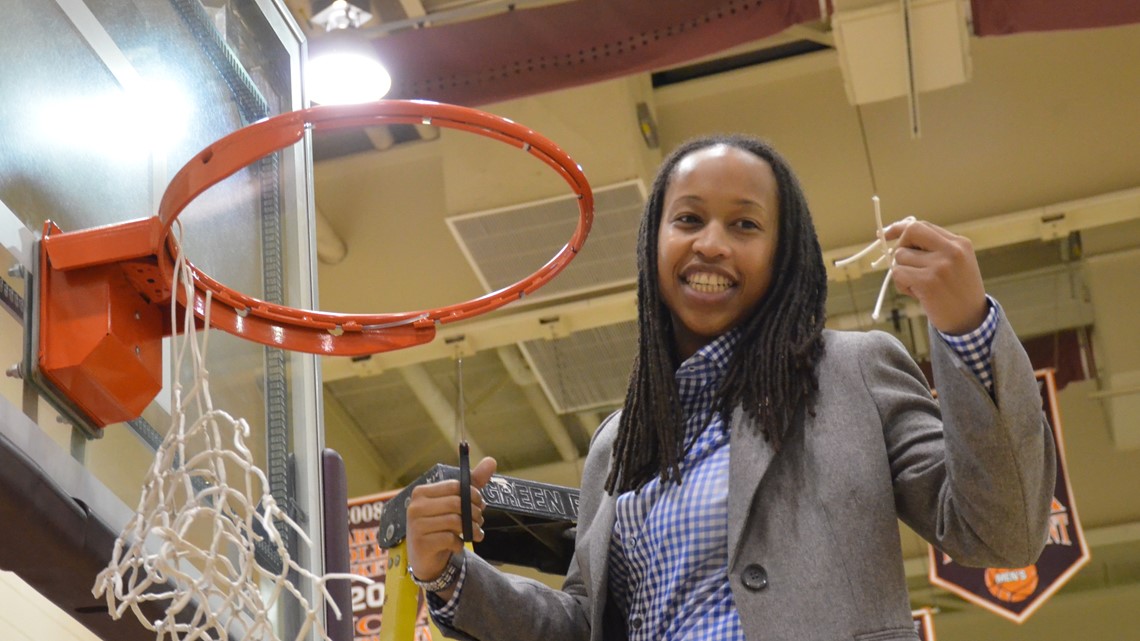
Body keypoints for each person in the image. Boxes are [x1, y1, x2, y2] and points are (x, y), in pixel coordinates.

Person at [404, 134, 1056, 641]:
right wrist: (449, 572)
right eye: (687, 220)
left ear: (784, 256)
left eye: (745, 225)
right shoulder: (616, 443)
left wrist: (968, 328)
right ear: (653, 248)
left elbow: (1000, 530)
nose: (711, 243)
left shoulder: (852, 371)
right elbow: (582, 624)